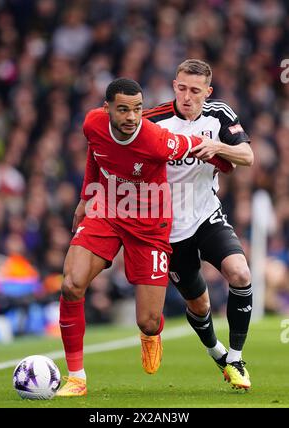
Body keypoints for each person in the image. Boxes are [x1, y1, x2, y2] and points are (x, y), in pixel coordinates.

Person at [56, 77, 232, 397]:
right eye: (123, 110)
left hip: (150, 225)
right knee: (71, 283)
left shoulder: (155, 139)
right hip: (108, 210)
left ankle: (151, 336)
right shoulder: (93, 123)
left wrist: (224, 157)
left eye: (137, 109)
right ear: (107, 109)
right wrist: (85, 198)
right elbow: (96, 153)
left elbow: (191, 145)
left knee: (149, 321)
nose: (132, 117)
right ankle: (76, 378)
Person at [143, 59, 254, 390]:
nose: (187, 97)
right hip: (169, 230)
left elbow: (247, 156)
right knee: (200, 303)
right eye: (181, 88)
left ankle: (235, 358)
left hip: (207, 216)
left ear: (208, 92)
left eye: (195, 91)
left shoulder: (219, 114)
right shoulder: (153, 120)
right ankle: (216, 351)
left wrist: (218, 147)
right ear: (174, 84)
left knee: (241, 273)